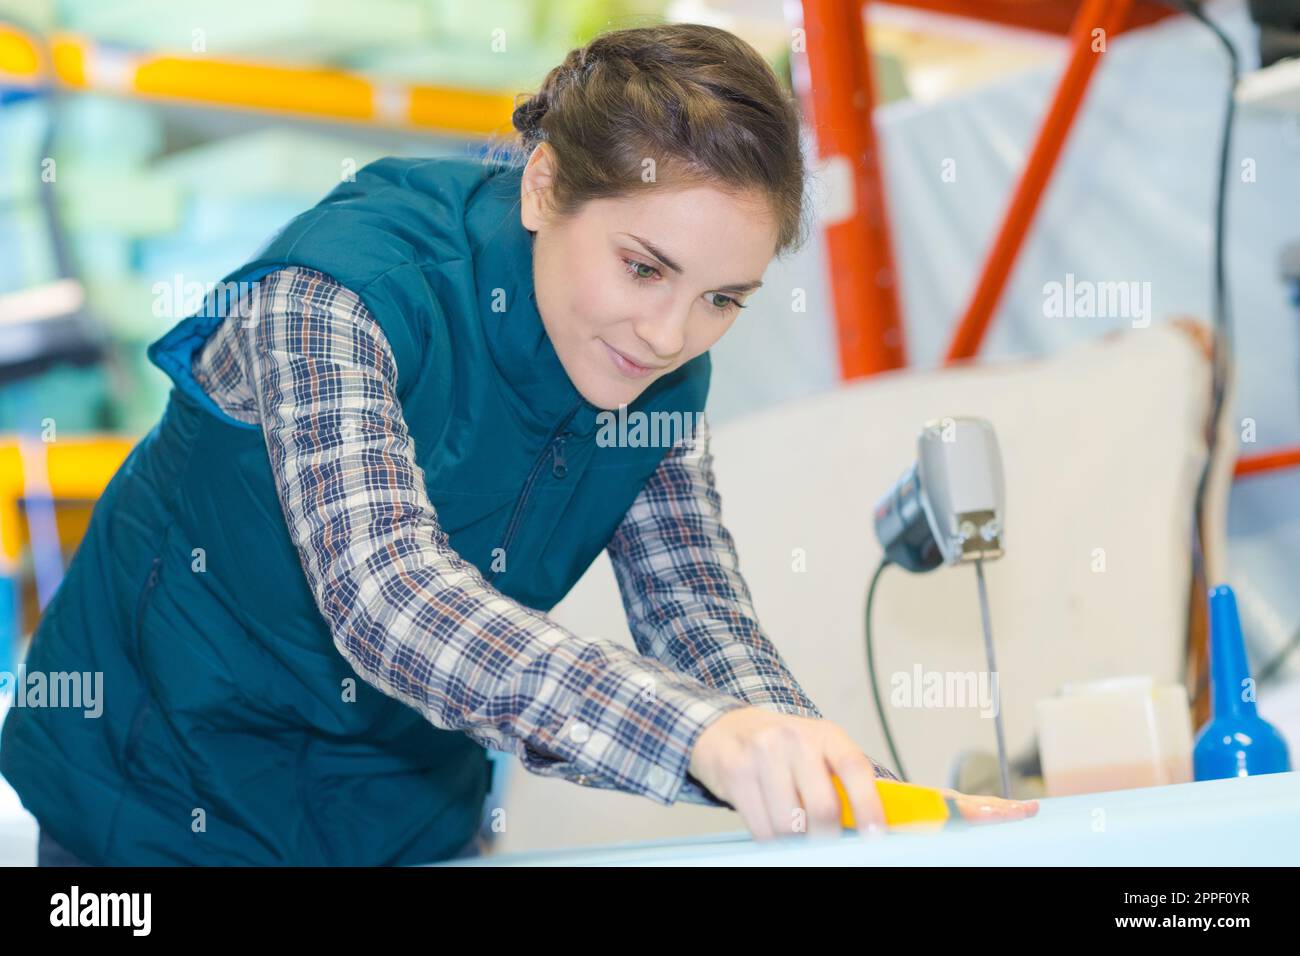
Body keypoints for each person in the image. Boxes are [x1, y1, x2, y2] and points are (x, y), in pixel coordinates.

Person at [2, 22, 1034, 866]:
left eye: (723, 298)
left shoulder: (656, 370)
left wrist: (831, 780)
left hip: (394, 804)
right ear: (543, 185)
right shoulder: (339, 292)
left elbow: (695, 609)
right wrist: (700, 734)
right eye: (642, 267)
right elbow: (388, 595)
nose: (670, 333)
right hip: (158, 785)